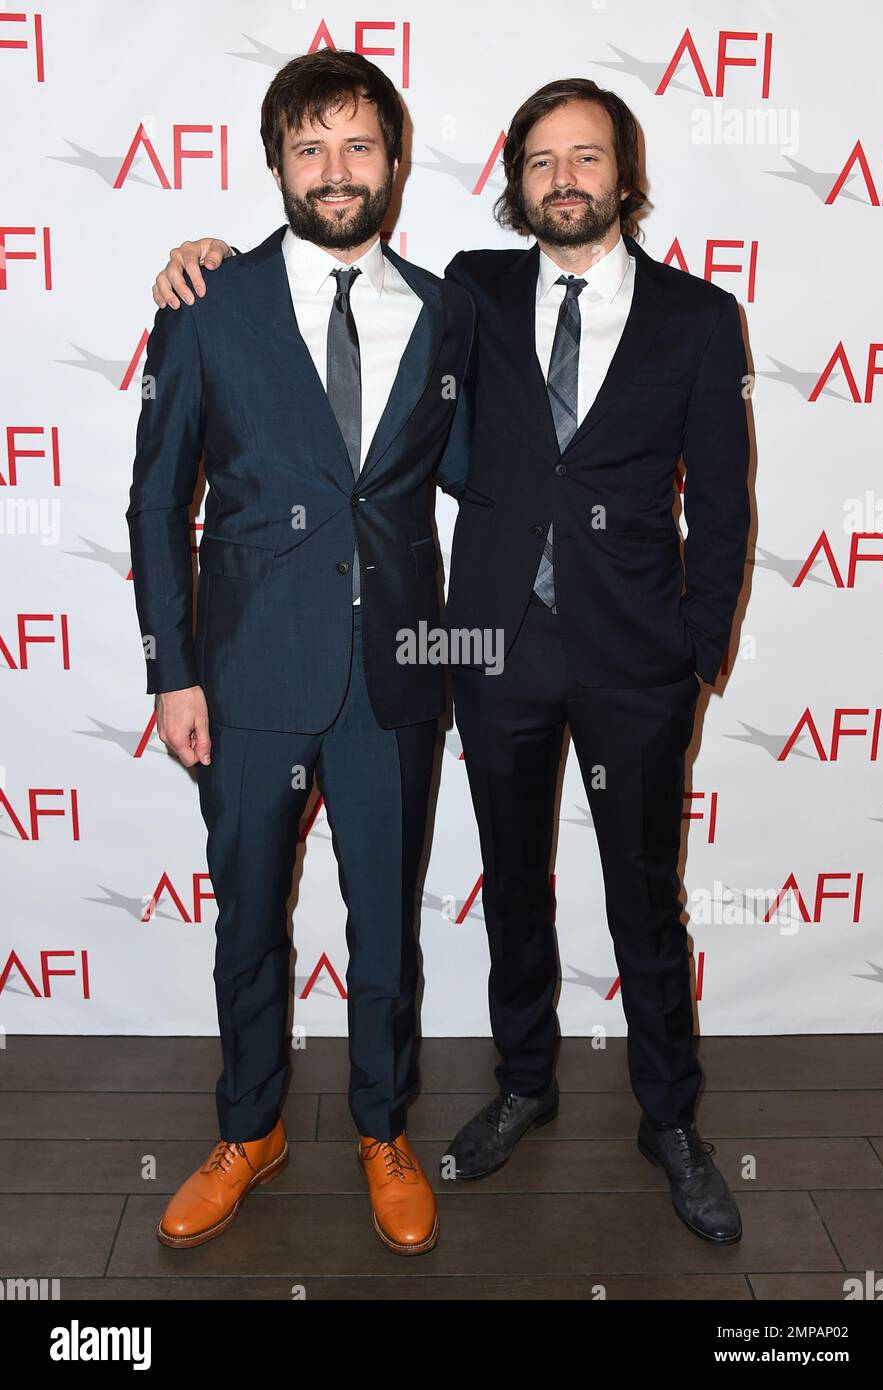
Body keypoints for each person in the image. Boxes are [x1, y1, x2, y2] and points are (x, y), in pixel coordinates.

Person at [149, 77, 751, 1245]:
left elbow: (720, 503)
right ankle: (513, 1085)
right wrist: (199, 253)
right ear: (513, 184)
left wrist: (695, 647)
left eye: (585, 158)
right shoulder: (471, 289)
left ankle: (666, 1119)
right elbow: (275, 349)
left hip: (625, 658)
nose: (563, 179)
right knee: (507, 887)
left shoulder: (684, 315)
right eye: (539, 161)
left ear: (622, 176)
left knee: (642, 895)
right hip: (477, 651)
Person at [126, 48, 475, 1256]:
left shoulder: (447, 312)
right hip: (248, 674)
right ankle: (251, 1126)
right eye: (310, 147)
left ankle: (381, 1127)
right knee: (247, 921)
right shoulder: (205, 305)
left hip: (392, 678)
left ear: (394, 160)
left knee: (384, 919)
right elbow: (154, 499)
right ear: (277, 161)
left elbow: (491, 477)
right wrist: (172, 668)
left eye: (357, 145)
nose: (335, 171)